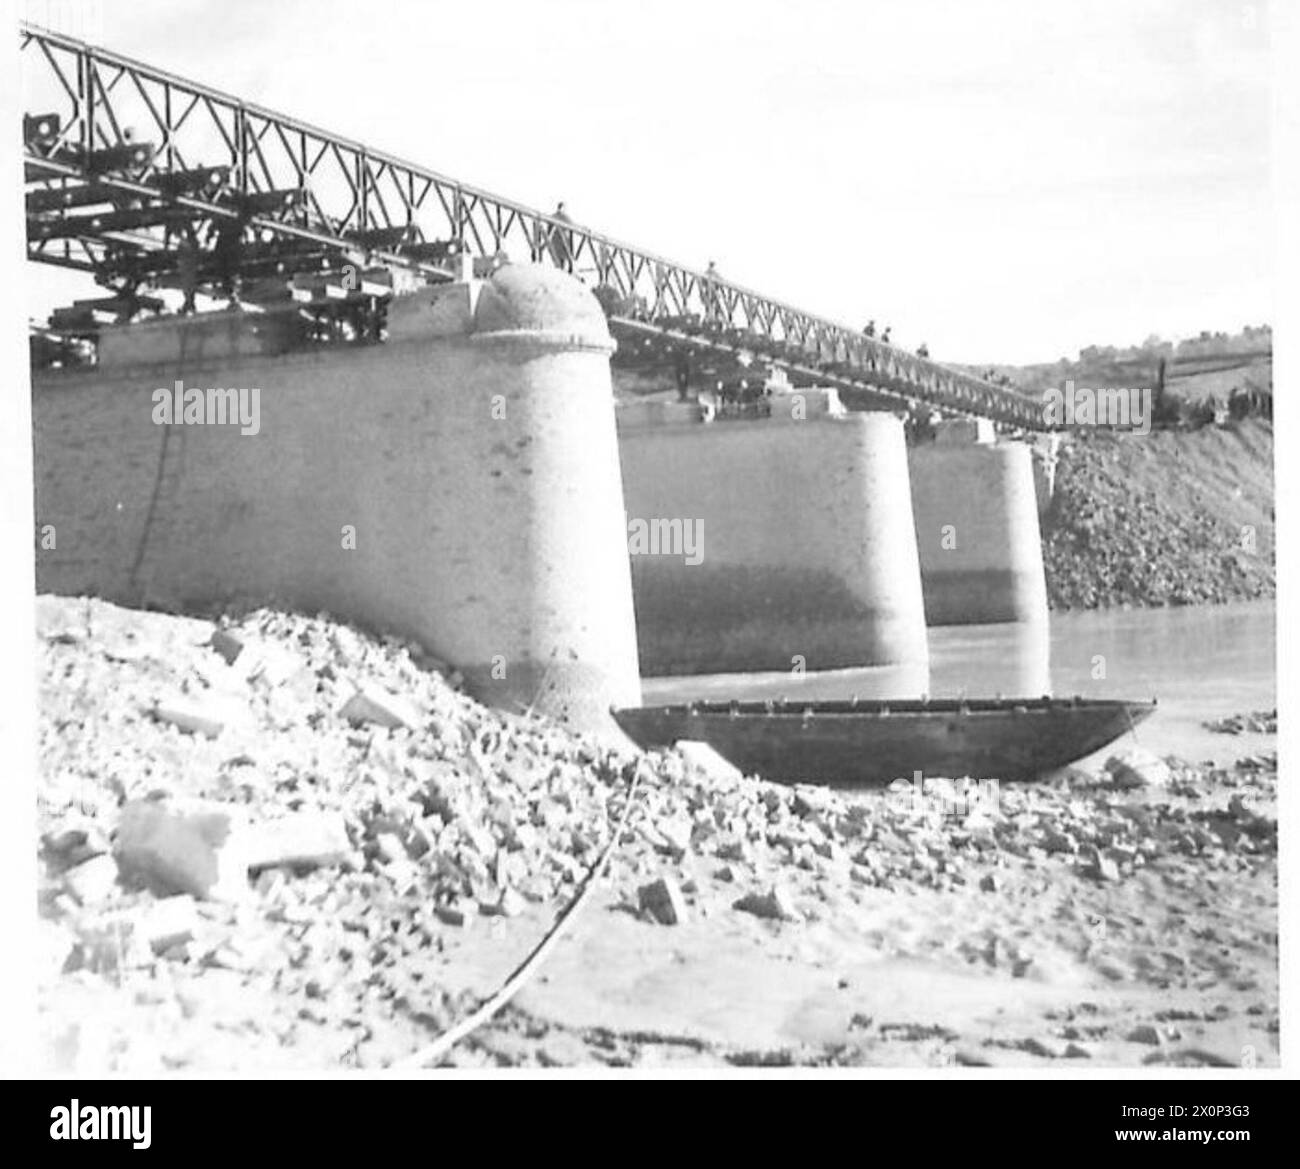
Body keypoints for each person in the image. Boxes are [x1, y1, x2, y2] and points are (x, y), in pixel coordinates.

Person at [548, 201, 573, 272]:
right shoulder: (565, 218)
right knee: (560, 259)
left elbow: (548, 229)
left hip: (559, 241)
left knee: (559, 259)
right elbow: (572, 228)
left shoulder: (555, 217)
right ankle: (561, 270)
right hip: (560, 241)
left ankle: (561, 270)